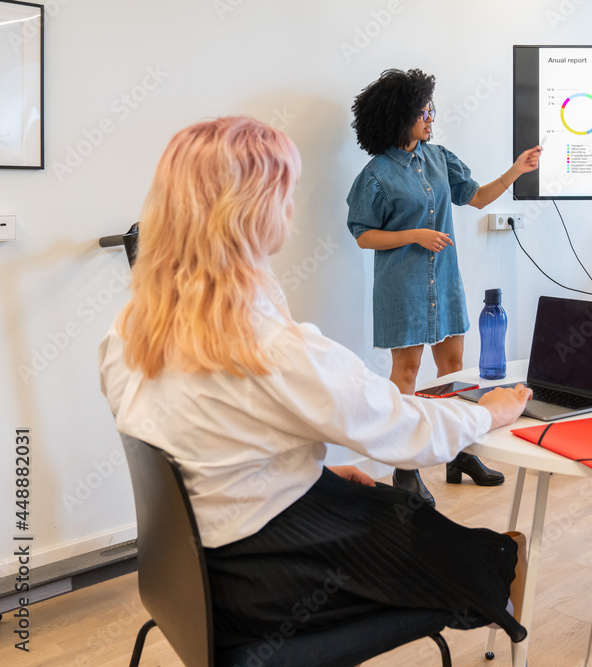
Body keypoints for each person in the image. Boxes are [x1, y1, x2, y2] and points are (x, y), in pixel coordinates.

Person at [99, 116, 534, 648]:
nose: (290, 207)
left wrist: (306, 474)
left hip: (193, 576)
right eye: (285, 192)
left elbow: (203, 447)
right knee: (480, 558)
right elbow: (397, 424)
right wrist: (489, 411)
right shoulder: (265, 344)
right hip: (261, 584)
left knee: (392, 508)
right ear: (252, 211)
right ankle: (496, 594)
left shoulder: (126, 333)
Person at [346, 68, 542, 507]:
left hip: (445, 280)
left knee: (453, 368)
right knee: (408, 377)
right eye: (422, 110)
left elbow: (477, 197)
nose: (430, 116)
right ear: (399, 117)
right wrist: (413, 235)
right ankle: (406, 470)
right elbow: (362, 234)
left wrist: (517, 169)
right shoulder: (375, 175)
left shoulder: (439, 158)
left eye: (430, 108)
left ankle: (460, 456)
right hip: (401, 285)